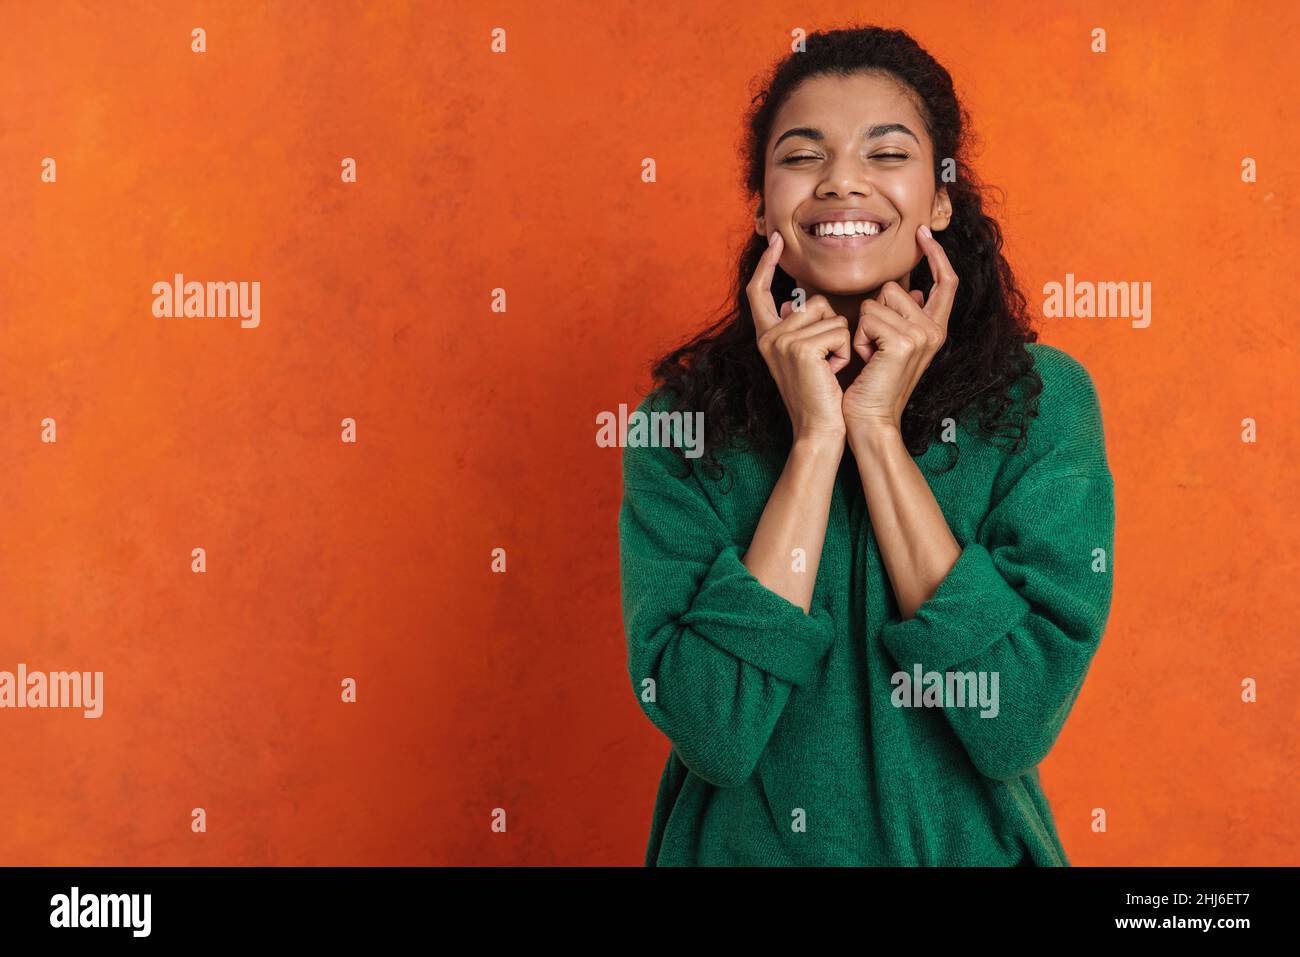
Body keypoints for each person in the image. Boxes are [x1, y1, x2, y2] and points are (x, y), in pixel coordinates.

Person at [617, 26, 1116, 866]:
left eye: (886, 154)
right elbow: (714, 728)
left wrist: (876, 433)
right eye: (802, 157)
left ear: (941, 198)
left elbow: (1013, 718)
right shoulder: (680, 426)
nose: (841, 181)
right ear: (763, 201)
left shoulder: (1041, 403)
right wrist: (816, 441)